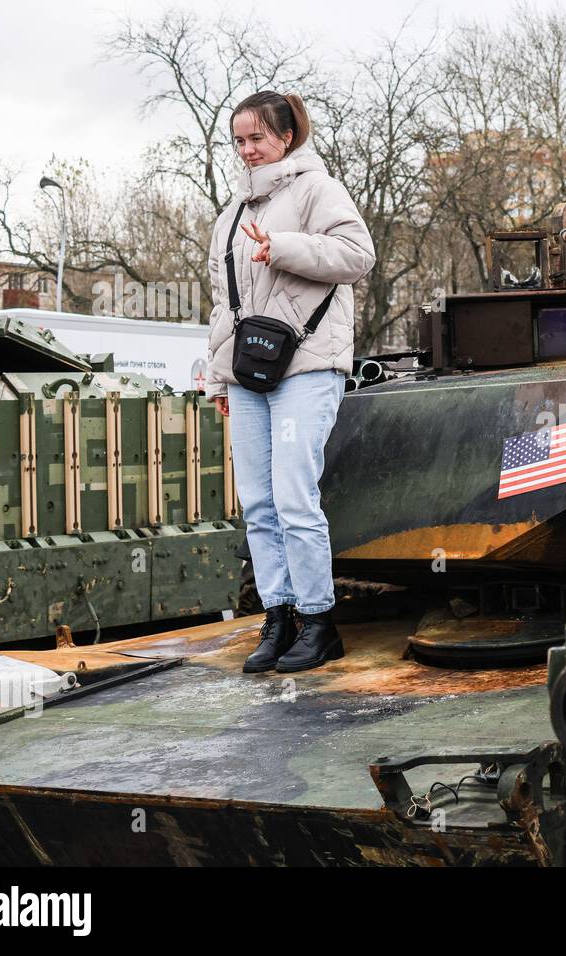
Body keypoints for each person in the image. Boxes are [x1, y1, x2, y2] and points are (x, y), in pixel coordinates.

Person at [205, 90, 375, 673]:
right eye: (239, 140)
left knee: (295, 496)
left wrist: (283, 248)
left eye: (257, 138)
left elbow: (358, 255)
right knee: (256, 501)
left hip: (307, 364)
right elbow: (221, 305)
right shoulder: (230, 215)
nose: (247, 150)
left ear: (285, 137)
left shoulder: (316, 189)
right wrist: (219, 379)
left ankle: (318, 622)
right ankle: (277, 617)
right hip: (248, 373)